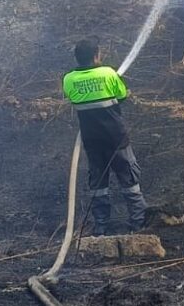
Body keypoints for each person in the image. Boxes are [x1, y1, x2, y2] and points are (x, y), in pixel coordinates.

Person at [62, 38, 147, 235]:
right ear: (96, 55)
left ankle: (101, 227)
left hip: (92, 141)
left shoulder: (69, 79)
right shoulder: (108, 73)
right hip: (116, 138)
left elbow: (73, 99)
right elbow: (122, 95)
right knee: (130, 180)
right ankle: (138, 223)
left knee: (98, 185)